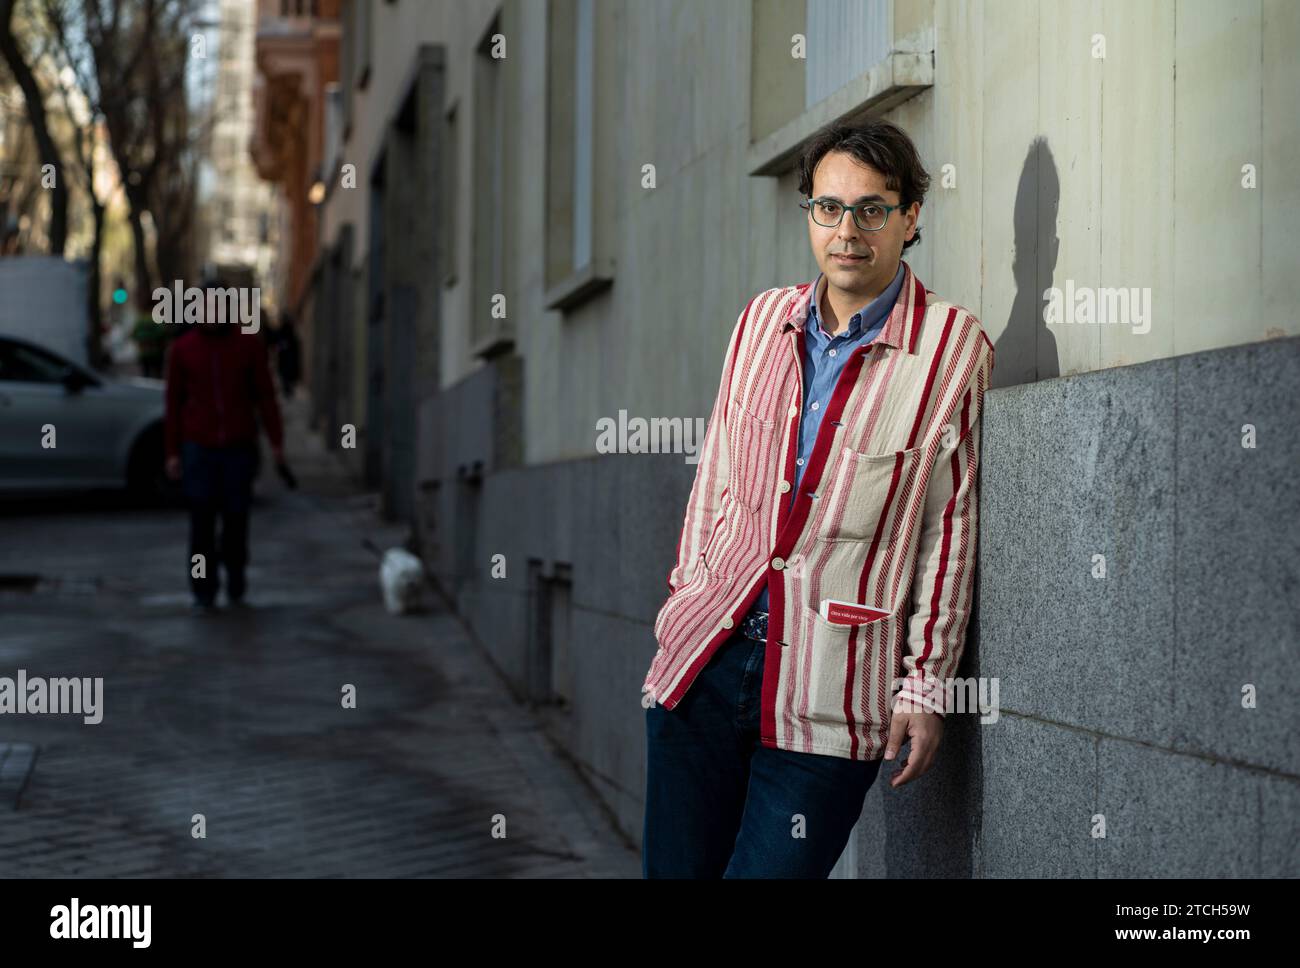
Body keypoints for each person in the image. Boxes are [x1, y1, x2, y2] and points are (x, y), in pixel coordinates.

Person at [641, 119, 995, 878]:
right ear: (809, 212)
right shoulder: (760, 323)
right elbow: (716, 478)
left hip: (829, 696)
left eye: (872, 209)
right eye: (829, 208)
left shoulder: (950, 347)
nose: (847, 231)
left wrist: (926, 683)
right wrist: (682, 604)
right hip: (702, 669)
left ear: (910, 217)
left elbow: (948, 531)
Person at [163, 276, 284, 610]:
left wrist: (276, 441)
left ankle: (235, 575)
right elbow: (173, 403)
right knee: (201, 522)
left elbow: (265, 396)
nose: (211, 314)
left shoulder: (248, 345)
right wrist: (172, 452)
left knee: (236, 518)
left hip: (238, 446)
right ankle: (202, 587)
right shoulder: (183, 349)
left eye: (217, 307)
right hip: (198, 447)